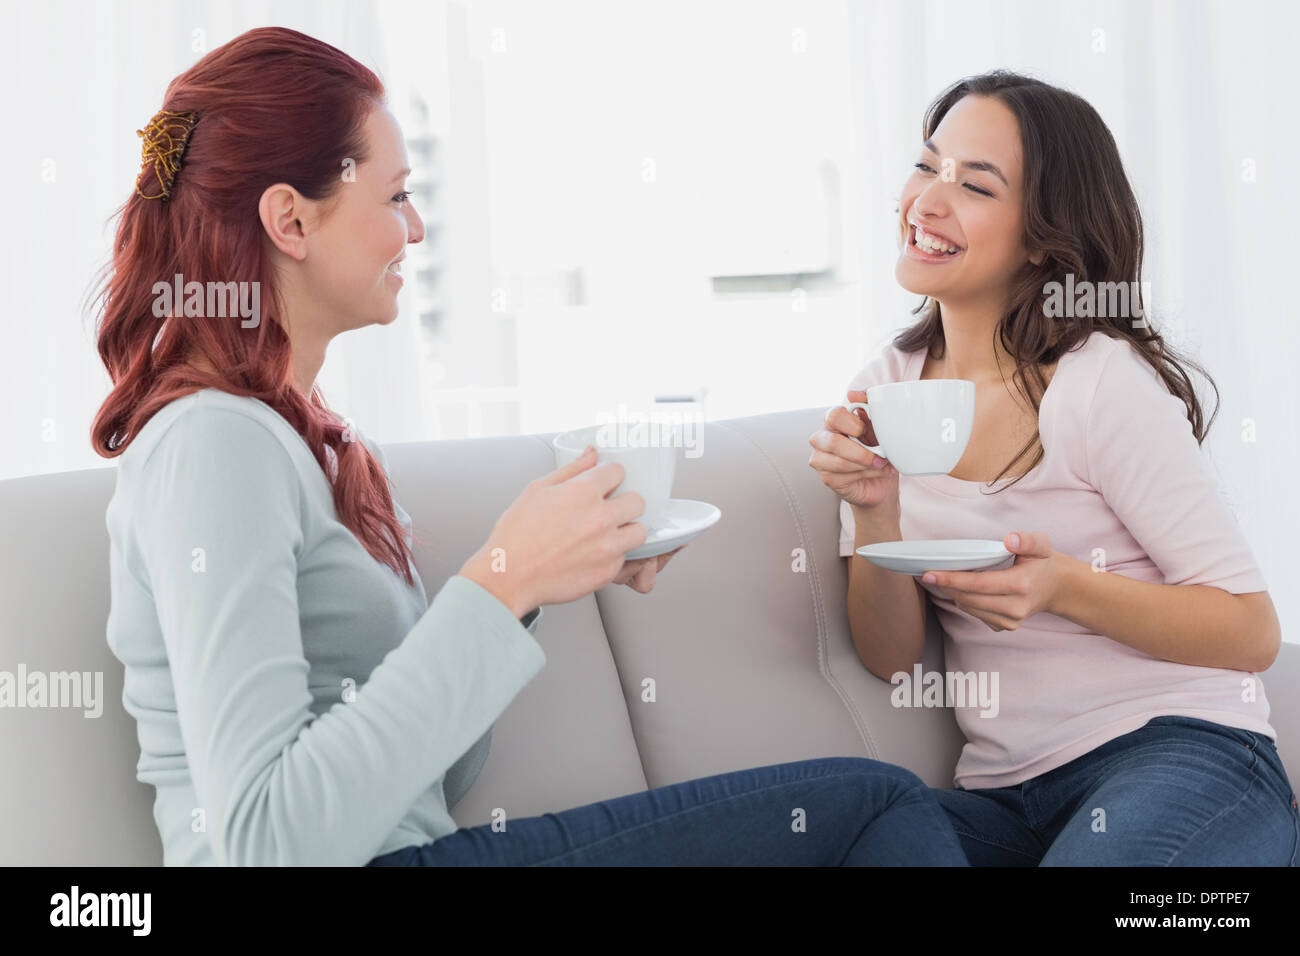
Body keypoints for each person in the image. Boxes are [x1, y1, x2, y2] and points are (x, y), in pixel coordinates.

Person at [91, 26, 968, 867]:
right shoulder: (212, 444)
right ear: (290, 220)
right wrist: (501, 577)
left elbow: (442, 777)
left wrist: (529, 590)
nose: (417, 228)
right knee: (874, 808)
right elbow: (266, 843)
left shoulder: (294, 439)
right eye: (396, 197)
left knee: (893, 813)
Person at [810, 70, 1298, 866]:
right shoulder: (888, 387)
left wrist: (1065, 585)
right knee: (855, 831)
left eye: (974, 185)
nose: (927, 202)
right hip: (1003, 798)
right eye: (926, 165)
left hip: (1177, 753)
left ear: (1042, 237)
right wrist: (873, 511)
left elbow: (1251, 632)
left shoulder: (1098, 382)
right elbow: (891, 658)